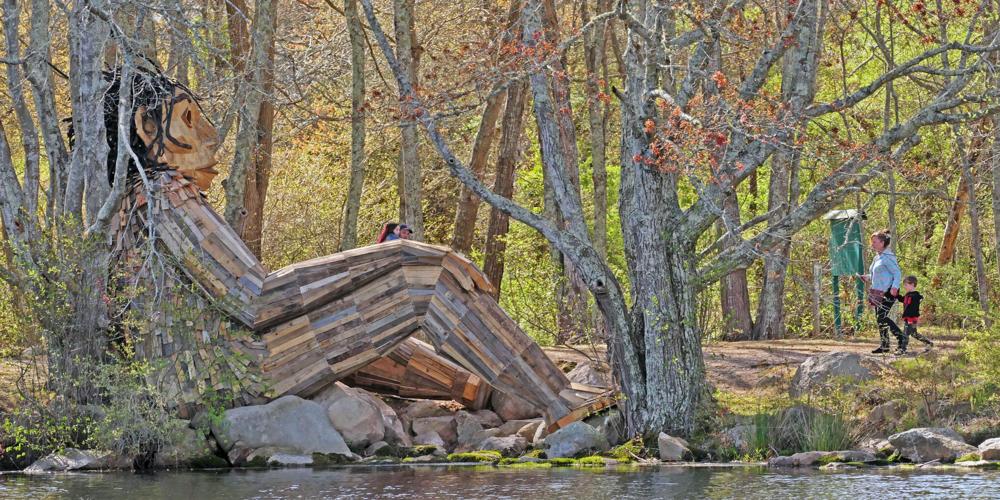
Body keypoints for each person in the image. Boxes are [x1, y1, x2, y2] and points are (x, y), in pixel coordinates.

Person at [861, 229, 904, 354]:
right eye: (872, 242)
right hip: (877, 292)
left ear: (882, 242)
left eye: (874, 242)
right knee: (879, 319)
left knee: (882, 317)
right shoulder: (877, 257)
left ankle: (902, 339)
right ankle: (884, 345)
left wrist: (895, 287)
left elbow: (897, 273)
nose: (872, 244)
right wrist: (867, 277)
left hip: (889, 291)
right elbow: (877, 274)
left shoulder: (888, 256)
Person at [900, 275, 933, 352]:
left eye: (906, 285)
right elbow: (903, 300)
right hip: (907, 318)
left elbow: (914, 309)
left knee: (906, 333)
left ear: (912, 285)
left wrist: (911, 319)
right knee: (913, 334)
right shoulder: (907, 295)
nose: (904, 286)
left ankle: (902, 349)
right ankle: (929, 343)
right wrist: (896, 294)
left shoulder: (915, 296)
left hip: (912, 318)